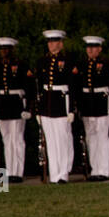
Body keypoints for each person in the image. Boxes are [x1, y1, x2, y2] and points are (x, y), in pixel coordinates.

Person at [34, 30, 80, 184]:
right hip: (47, 104)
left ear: (60, 43)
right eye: (49, 41)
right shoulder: (42, 61)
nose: (51, 44)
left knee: (62, 140)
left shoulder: (68, 60)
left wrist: (72, 109)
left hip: (62, 104)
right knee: (51, 141)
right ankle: (54, 175)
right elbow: (38, 87)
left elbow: (73, 86)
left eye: (54, 41)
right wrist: (37, 110)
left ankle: (63, 173)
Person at [0, 37, 35, 182]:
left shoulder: (21, 65)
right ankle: (9, 171)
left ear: (12, 50)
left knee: (17, 139)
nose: (4, 52)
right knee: (6, 139)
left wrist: (29, 107)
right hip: (3, 105)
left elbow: (29, 87)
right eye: (2, 49)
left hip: (17, 104)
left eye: (6, 49)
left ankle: (17, 172)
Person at [78, 35, 109, 181]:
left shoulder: (106, 63)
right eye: (88, 47)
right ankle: (94, 170)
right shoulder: (82, 64)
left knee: (102, 137)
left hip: (102, 102)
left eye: (93, 47)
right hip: (88, 103)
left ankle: (104, 170)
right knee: (91, 137)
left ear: (99, 49)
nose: (90, 50)